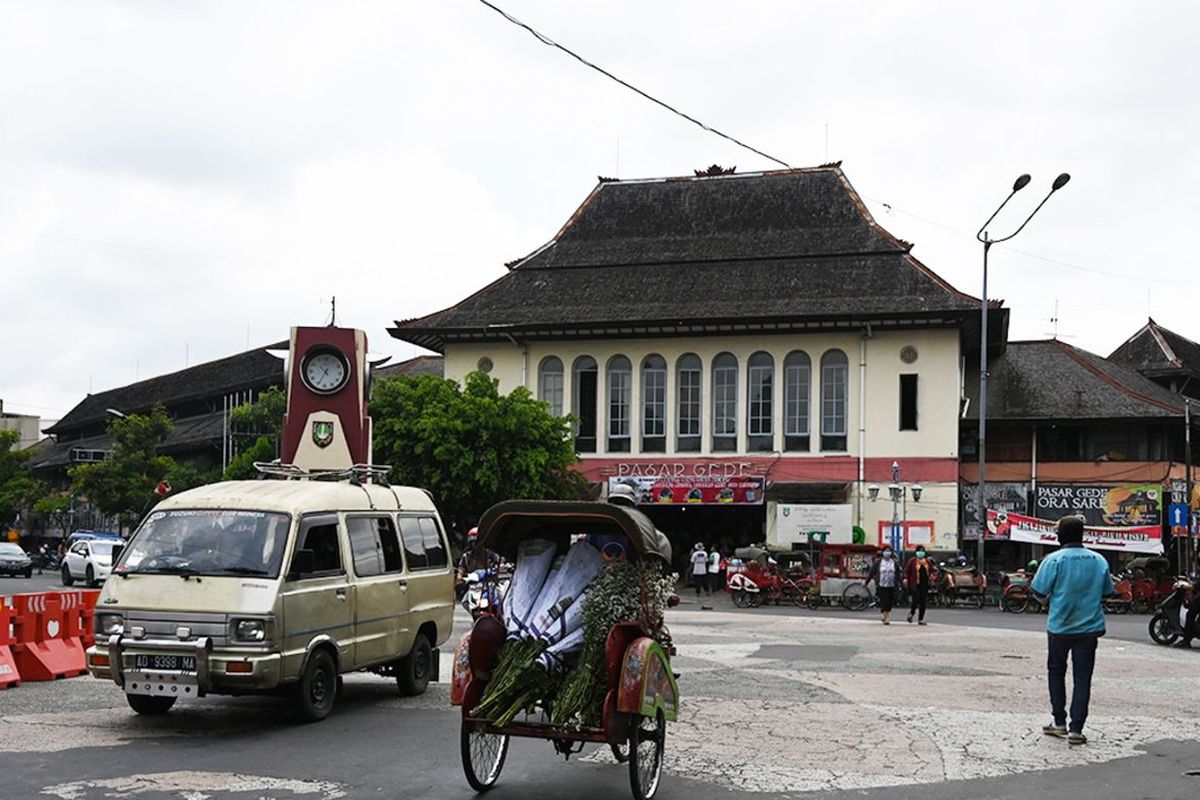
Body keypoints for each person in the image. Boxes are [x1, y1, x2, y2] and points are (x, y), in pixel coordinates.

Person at [1031, 515, 1113, 746]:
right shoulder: (1099, 560)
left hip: (1059, 627)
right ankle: (1076, 729)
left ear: (1060, 536)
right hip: (1089, 629)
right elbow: (1108, 592)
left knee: (1056, 672)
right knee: (1082, 678)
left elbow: (1038, 590)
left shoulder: (1053, 560)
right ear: (1082, 535)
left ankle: (1059, 722)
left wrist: (1048, 601)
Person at [867, 546, 899, 624]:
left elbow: (898, 573)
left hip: (891, 584)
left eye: (889, 551)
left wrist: (900, 582)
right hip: (882, 584)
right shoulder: (878, 562)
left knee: (890, 601)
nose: (887, 553)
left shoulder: (894, 562)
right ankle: (886, 617)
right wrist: (866, 582)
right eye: (885, 551)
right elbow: (872, 572)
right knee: (884, 601)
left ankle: (885, 615)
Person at [904, 546, 934, 624]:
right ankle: (912, 613)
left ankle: (921, 619)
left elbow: (932, 571)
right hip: (915, 584)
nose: (921, 552)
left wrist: (932, 577)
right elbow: (907, 571)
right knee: (916, 599)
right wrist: (905, 579)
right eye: (919, 551)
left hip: (924, 584)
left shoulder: (927, 561)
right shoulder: (912, 561)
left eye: (922, 551)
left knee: (923, 602)